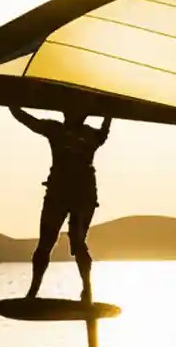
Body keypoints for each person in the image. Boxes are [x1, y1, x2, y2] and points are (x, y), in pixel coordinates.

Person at [10, 107, 112, 301]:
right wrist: (12, 106)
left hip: (82, 196)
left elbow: (104, 133)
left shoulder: (89, 135)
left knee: (78, 241)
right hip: (59, 193)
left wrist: (110, 112)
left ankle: (87, 289)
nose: (70, 115)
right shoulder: (55, 129)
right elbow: (29, 121)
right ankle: (33, 291)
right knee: (45, 243)